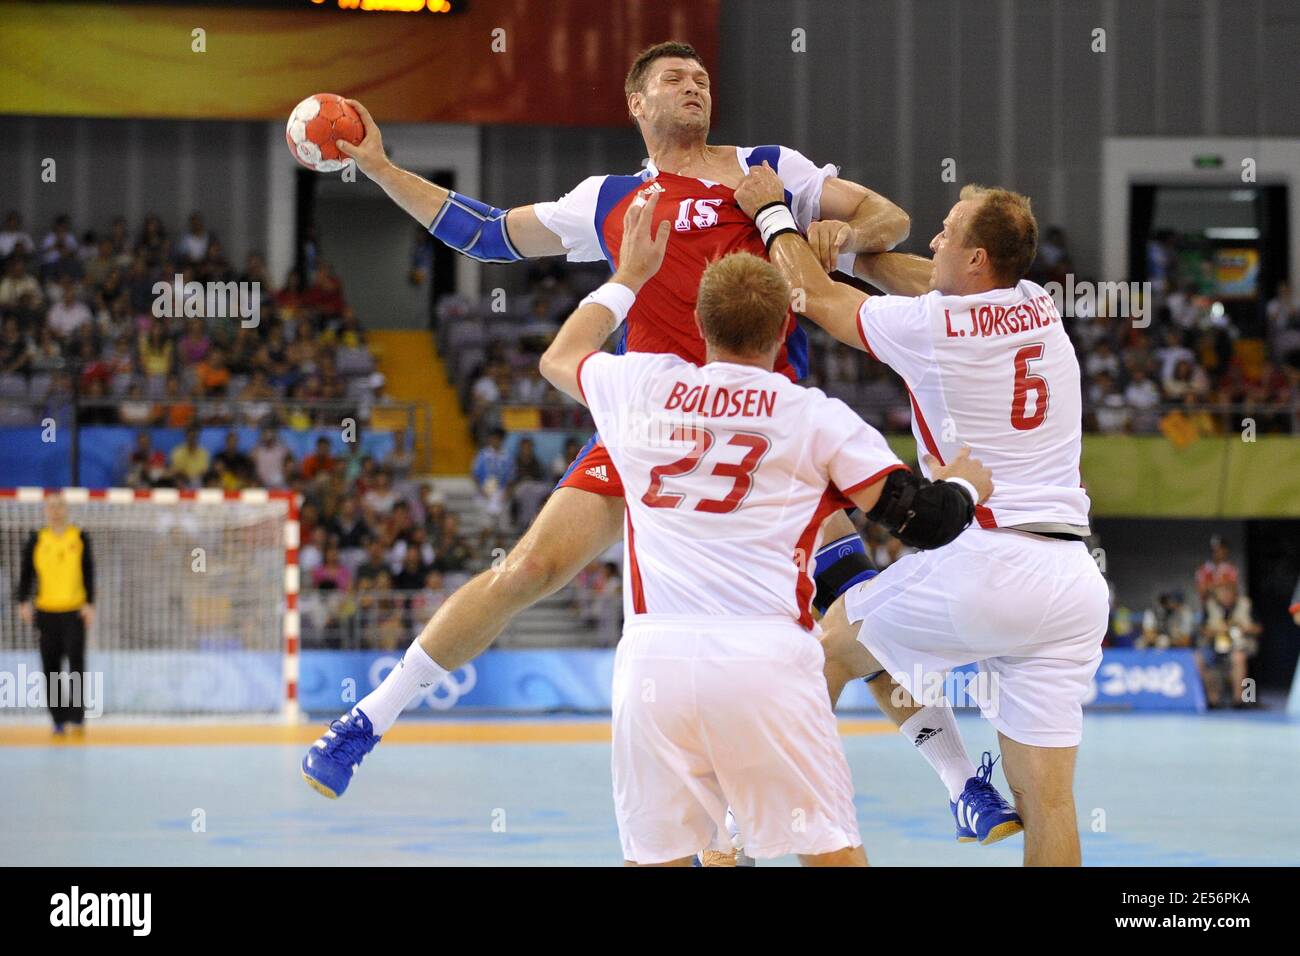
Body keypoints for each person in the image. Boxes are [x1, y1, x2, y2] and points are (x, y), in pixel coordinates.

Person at [302, 43, 997, 826]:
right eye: (675, 79)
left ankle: (961, 781)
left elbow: (889, 216)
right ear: (637, 102)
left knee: (856, 605)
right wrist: (385, 168)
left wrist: (848, 234)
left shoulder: (764, 169)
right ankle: (370, 720)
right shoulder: (610, 198)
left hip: (764, 429)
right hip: (653, 424)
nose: (695, 87)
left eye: (702, 79)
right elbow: (489, 234)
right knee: (528, 565)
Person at [736, 165, 1108, 865]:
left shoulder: (936, 329)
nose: (932, 239)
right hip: (1072, 582)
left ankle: (744, 831)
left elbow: (811, 298)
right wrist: (849, 248)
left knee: (827, 650)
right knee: (1050, 805)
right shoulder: (1037, 304)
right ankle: (964, 786)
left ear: (975, 259)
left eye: (946, 233)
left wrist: (772, 217)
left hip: (994, 561)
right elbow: (918, 276)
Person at [16, 494, 96, 735]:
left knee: (76, 664)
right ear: (45, 510)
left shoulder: (79, 537)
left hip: (74, 611)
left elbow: (89, 572)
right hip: (46, 611)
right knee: (50, 666)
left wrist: (90, 603)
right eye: (51, 506)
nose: (56, 510)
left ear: (67, 509)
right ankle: (58, 717)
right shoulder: (36, 539)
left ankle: (77, 715)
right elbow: (26, 573)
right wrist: (22, 601)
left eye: (60, 505)